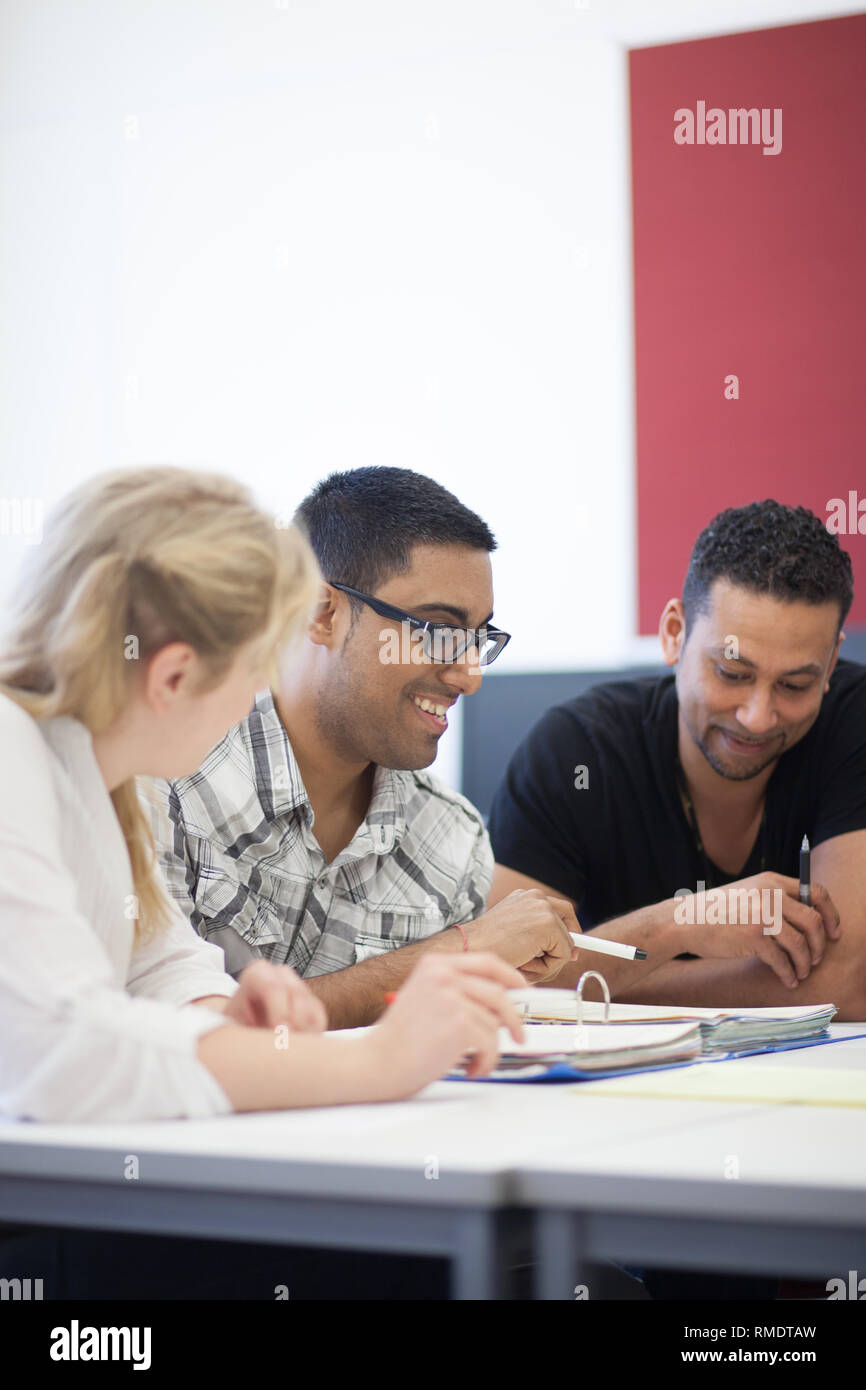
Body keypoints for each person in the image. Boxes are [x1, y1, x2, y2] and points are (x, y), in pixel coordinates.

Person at [0, 465, 527, 1130]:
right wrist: (377, 1065)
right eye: (257, 663)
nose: (260, 691)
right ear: (173, 677)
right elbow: (59, 1051)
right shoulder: (12, 753)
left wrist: (230, 1017)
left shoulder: (120, 780)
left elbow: (161, 966)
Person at [147, 466, 581, 1029]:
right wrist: (460, 949)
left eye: (478, 639)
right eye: (436, 631)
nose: (469, 676)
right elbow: (167, 1031)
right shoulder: (167, 780)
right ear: (322, 613)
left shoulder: (452, 839)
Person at [488, 500, 865, 1022]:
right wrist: (677, 923)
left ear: (829, 666)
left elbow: (844, 985)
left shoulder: (855, 724)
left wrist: (598, 989)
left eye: (795, 684)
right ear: (673, 634)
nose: (757, 716)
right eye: (732, 673)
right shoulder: (574, 751)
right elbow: (502, 980)